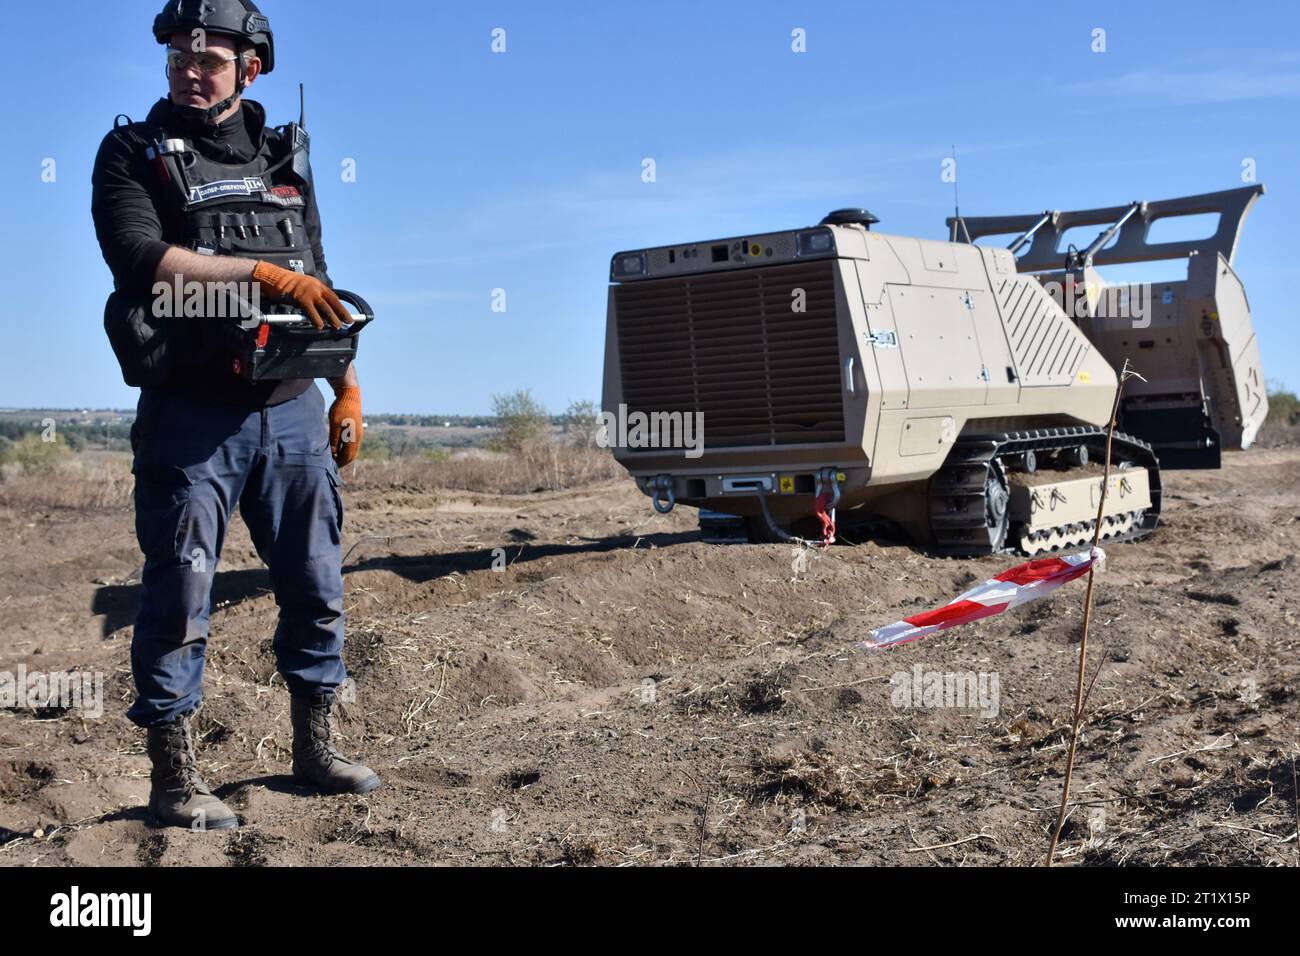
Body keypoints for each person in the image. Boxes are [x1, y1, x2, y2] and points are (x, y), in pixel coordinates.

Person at [91, 0, 379, 831]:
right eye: (178, 56)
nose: (190, 69)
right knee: (181, 591)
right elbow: (143, 262)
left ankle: (314, 750)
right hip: (191, 414)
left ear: (249, 68)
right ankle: (176, 780)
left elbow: (318, 277)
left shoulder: (286, 155)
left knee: (318, 584)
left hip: (290, 407)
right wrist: (262, 275)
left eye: (209, 58)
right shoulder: (132, 153)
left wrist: (347, 385)